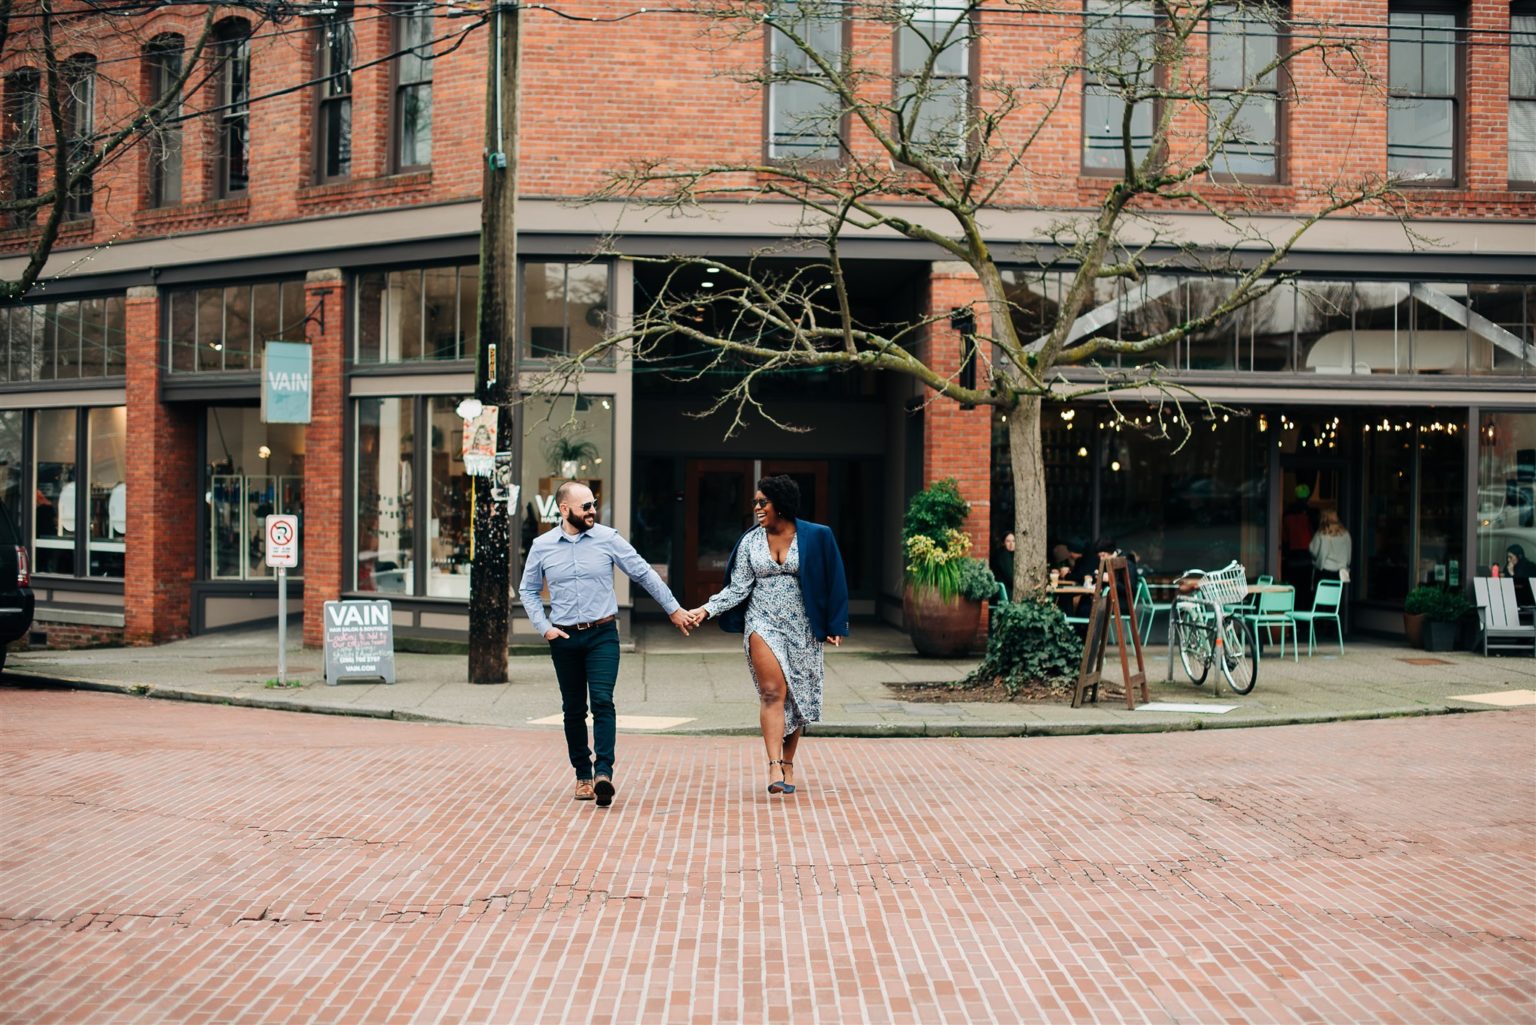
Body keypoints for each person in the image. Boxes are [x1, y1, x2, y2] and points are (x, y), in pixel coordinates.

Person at [519, 480, 696, 808]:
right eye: (585, 506)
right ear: (564, 509)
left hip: (602, 634)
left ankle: (603, 773)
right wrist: (544, 628)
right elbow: (527, 590)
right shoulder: (542, 545)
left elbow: (643, 573)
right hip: (564, 637)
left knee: (602, 701)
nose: (592, 511)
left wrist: (673, 609)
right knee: (573, 709)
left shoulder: (607, 538)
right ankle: (582, 775)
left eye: (593, 504)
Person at [685, 475, 848, 796]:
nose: (757, 508)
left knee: (798, 693)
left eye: (763, 502)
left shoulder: (817, 536)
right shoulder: (750, 541)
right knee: (773, 691)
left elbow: (834, 579)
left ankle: (788, 762)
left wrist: (835, 624)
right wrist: (706, 609)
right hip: (762, 623)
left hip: (803, 625)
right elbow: (738, 587)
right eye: (754, 503)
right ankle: (774, 764)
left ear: (781, 504)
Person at [1308, 508, 1352, 591]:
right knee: (1336, 599)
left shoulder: (1321, 533)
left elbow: (1312, 549)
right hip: (1340, 573)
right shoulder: (1346, 534)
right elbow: (1348, 556)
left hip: (1324, 571)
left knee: (1321, 599)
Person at [1507, 544, 1535, 608]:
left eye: (1510, 557)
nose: (1508, 560)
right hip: (1511, 597)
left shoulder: (1530, 567)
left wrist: (1512, 574)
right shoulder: (1509, 566)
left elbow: (1522, 586)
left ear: (1519, 556)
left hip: (1526, 600)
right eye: (1507, 557)